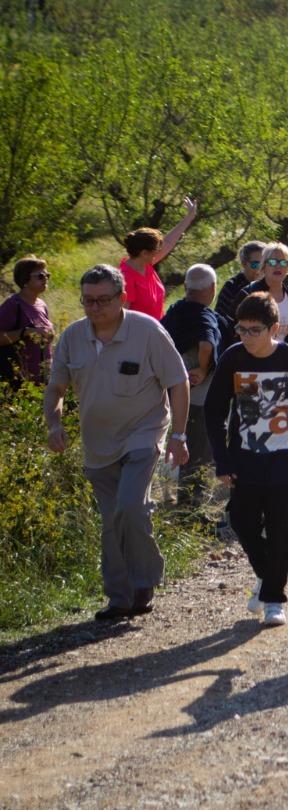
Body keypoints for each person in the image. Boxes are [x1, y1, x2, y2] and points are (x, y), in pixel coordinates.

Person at [43, 264, 189, 621]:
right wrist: (53, 423)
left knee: (130, 506)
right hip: (98, 443)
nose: (94, 308)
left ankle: (145, 580)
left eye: (103, 300)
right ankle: (120, 598)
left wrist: (179, 435)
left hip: (143, 431)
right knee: (111, 520)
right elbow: (57, 387)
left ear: (122, 298)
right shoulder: (73, 337)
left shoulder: (147, 331)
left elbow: (178, 382)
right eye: (88, 301)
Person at [206, 292, 288, 628]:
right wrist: (221, 459)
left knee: (283, 528)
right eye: (242, 329)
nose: (246, 337)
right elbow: (214, 411)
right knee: (242, 523)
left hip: (286, 462)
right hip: (244, 460)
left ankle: (274, 598)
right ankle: (268, 580)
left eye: (254, 330)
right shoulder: (233, 358)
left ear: (274, 328)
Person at [160, 264, 222, 509]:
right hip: (196, 399)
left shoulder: (174, 311)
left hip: (166, 396)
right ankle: (190, 507)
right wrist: (204, 369)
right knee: (196, 452)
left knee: (170, 449)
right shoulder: (204, 315)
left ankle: (168, 500)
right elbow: (207, 344)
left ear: (186, 287)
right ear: (212, 288)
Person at [119, 196, 199, 319]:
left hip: (156, 333)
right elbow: (122, 319)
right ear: (144, 253)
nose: (159, 252)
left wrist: (188, 218)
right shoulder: (126, 278)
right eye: (156, 250)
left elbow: (168, 242)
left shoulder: (145, 264)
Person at [243, 243, 288, 367]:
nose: (278, 266)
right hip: (254, 365)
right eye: (272, 262)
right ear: (264, 266)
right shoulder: (249, 293)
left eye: (283, 263)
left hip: (286, 365)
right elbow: (238, 333)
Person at [0, 256, 54, 387]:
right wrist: (26, 331)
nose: (45, 278)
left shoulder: (42, 305)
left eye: (47, 274)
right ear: (25, 279)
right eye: (40, 275)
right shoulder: (13, 305)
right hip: (18, 381)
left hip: (42, 379)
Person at [214, 241, 265, 333]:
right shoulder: (232, 287)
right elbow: (221, 321)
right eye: (255, 265)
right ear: (244, 264)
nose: (260, 269)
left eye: (264, 264)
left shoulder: (273, 285)